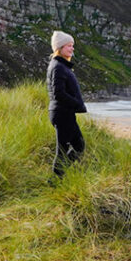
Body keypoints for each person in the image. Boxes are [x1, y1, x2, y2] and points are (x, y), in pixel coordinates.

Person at [46, 30, 87, 177]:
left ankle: (60, 174)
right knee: (63, 149)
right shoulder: (58, 66)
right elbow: (58, 93)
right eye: (69, 46)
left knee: (79, 144)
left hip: (65, 113)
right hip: (62, 114)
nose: (72, 48)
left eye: (72, 45)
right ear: (60, 48)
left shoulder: (61, 65)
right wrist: (76, 103)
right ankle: (56, 179)